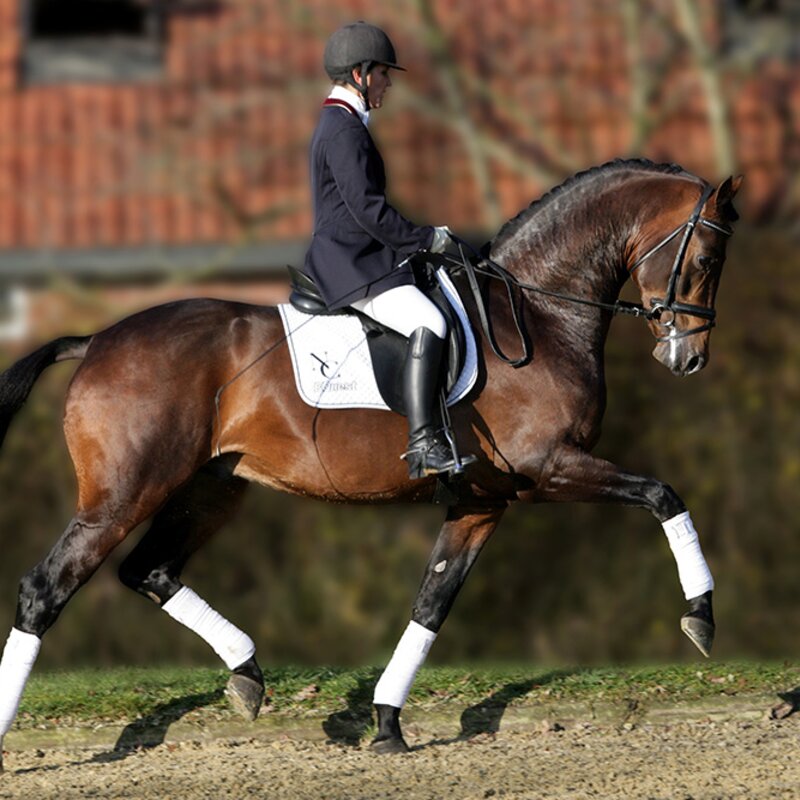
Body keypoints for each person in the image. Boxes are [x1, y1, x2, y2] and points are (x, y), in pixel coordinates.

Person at [303, 21, 475, 479]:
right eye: (383, 73)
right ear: (360, 74)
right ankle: (424, 443)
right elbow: (368, 211)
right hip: (351, 263)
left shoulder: (343, 123)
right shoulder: (343, 130)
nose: (389, 83)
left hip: (362, 256)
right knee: (429, 320)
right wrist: (426, 239)